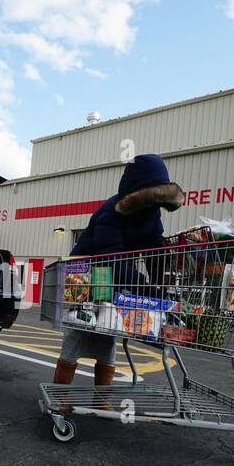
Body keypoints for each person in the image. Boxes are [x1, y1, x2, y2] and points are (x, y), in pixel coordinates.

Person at [51, 153, 184, 393]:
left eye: (157, 200)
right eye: (148, 199)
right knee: (77, 333)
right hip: (83, 274)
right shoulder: (110, 214)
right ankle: (60, 394)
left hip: (110, 278)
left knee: (109, 332)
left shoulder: (153, 214)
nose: (152, 206)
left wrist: (161, 290)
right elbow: (113, 259)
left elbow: (155, 250)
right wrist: (146, 288)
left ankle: (102, 396)